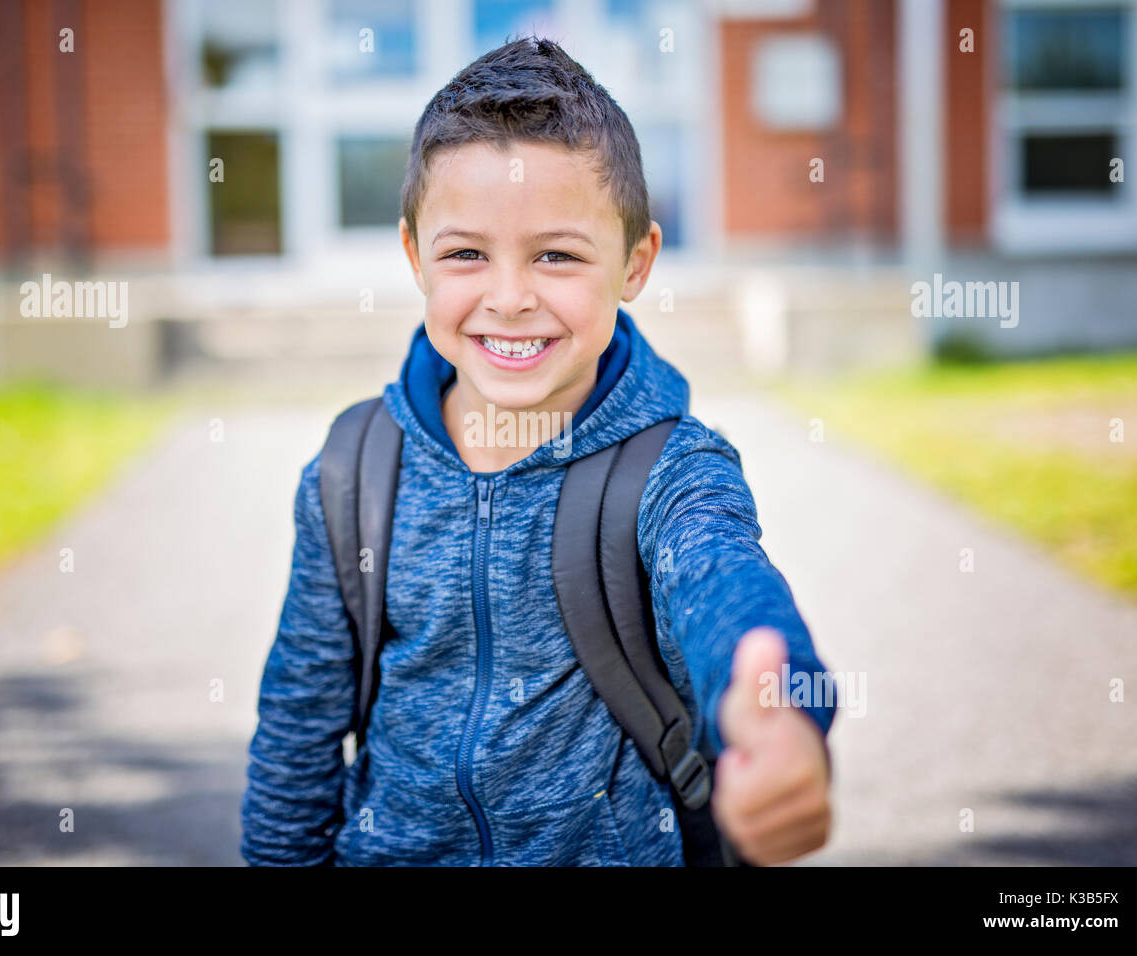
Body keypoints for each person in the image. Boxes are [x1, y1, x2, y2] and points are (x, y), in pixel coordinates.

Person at [240, 35, 836, 866]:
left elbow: (727, 589)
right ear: (414, 257)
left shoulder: (672, 471)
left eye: (556, 255)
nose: (510, 298)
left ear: (635, 264)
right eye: (466, 254)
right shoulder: (352, 472)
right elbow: (297, 734)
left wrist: (777, 708)